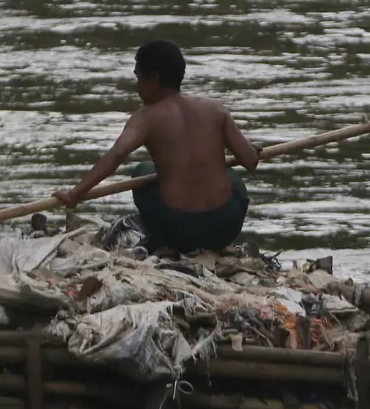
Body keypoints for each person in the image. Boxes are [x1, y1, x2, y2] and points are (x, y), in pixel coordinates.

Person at [55, 40, 261, 255]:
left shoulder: (145, 118)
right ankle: (213, 243)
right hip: (225, 226)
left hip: (179, 230)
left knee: (142, 171)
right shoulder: (216, 110)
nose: (137, 86)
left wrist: (75, 194)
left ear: (154, 78)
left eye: (138, 77)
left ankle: (167, 243)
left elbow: (117, 155)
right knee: (231, 177)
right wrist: (248, 148)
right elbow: (250, 160)